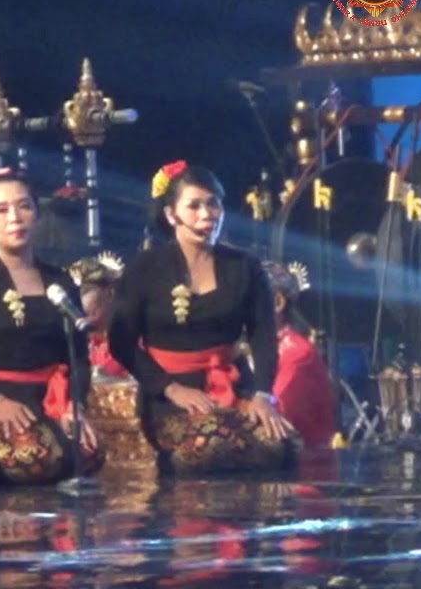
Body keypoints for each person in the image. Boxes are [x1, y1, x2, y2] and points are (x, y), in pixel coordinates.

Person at [107, 160, 298, 475]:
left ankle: (247, 520)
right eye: (194, 206)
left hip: (232, 383)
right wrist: (170, 389)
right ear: (172, 215)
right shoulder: (146, 267)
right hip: (170, 393)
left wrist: (263, 394)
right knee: (209, 446)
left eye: (213, 204)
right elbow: (121, 341)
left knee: (282, 447)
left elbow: (263, 336)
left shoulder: (245, 266)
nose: (207, 214)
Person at [0, 169, 100, 485]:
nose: (15, 217)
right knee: (34, 457)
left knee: (88, 453)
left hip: (51, 398)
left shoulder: (59, 279)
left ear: (37, 216)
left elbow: (78, 354)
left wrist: (74, 403)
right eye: (1, 210)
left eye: (24, 206)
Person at [263, 260, 337, 449]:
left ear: (277, 302)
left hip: (302, 470)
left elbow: (278, 415)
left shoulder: (296, 354)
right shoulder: (267, 348)